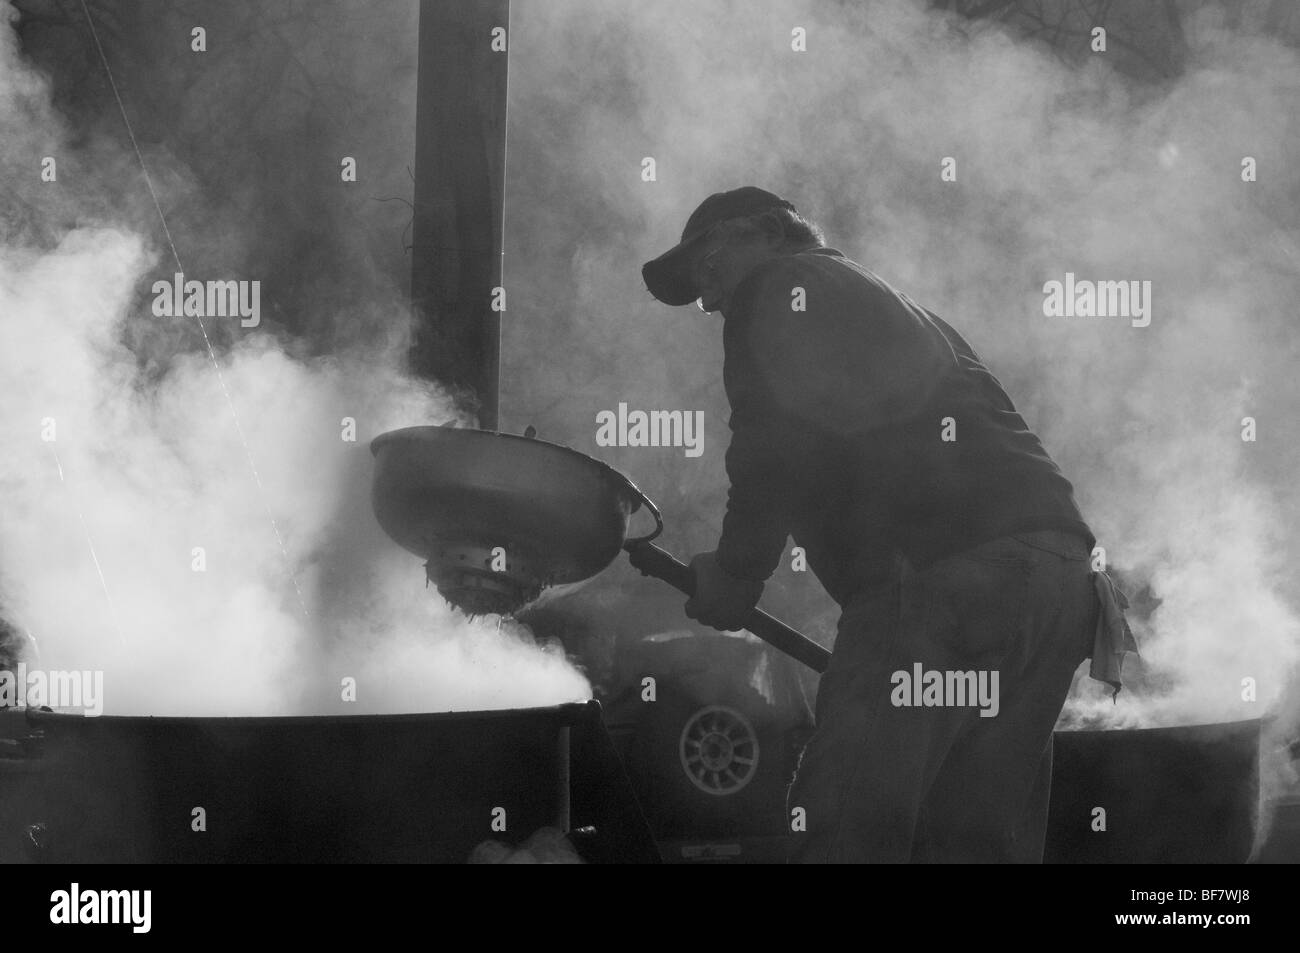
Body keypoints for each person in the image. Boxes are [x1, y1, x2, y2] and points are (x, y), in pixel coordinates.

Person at [641, 186, 1135, 863]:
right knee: (968, 842)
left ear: (762, 233)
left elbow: (772, 443)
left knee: (846, 829)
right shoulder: (891, 305)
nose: (712, 296)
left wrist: (735, 571)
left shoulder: (782, 286)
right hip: (1062, 580)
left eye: (709, 264)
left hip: (944, 579)